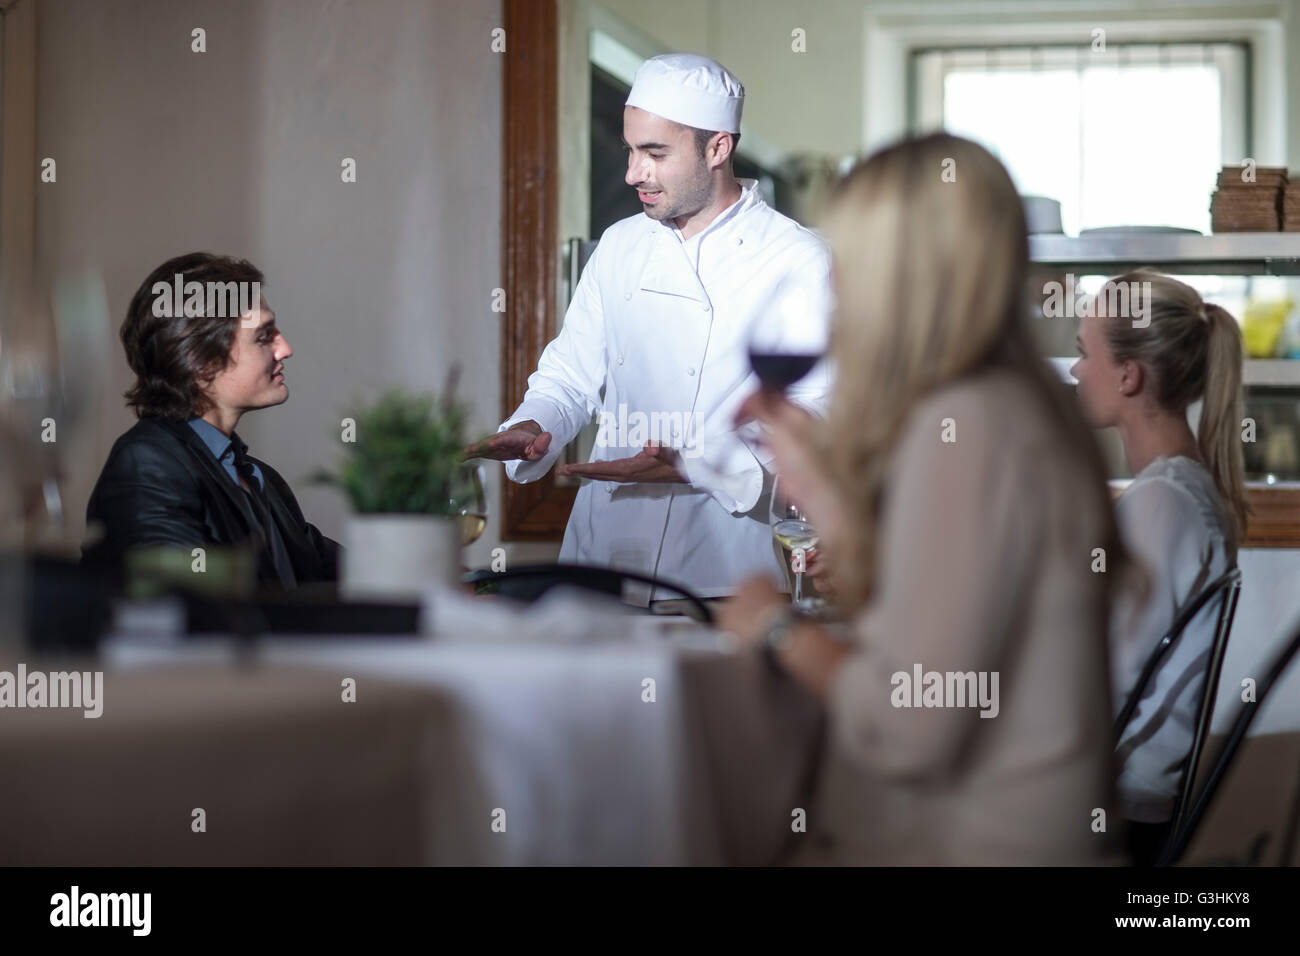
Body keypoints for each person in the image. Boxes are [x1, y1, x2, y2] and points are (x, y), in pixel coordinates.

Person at [719, 133, 1128, 865]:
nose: (833, 288)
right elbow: (940, 615)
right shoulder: (1017, 408)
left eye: (848, 260)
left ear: (897, 275)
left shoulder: (969, 427)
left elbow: (912, 720)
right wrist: (823, 490)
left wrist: (776, 629)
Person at [464, 53, 831, 599]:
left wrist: (693, 465)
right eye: (631, 150)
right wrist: (535, 424)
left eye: (655, 153)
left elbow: (818, 417)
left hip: (726, 564)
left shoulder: (798, 259)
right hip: (607, 552)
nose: (634, 173)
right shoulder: (620, 245)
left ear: (717, 148)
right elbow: (569, 372)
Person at [1071, 271, 1247, 862]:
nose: (1075, 371)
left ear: (1129, 374)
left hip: (1117, 809)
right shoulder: (1177, 489)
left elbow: (1108, 679)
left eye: (1082, 351)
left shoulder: (1164, 502)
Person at [82, 252, 338, 589]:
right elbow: (191, 609)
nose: (285, 348)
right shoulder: (147, 464)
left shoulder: (262, 479)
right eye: (264, 336)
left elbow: (347, 575)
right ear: (200, 362)